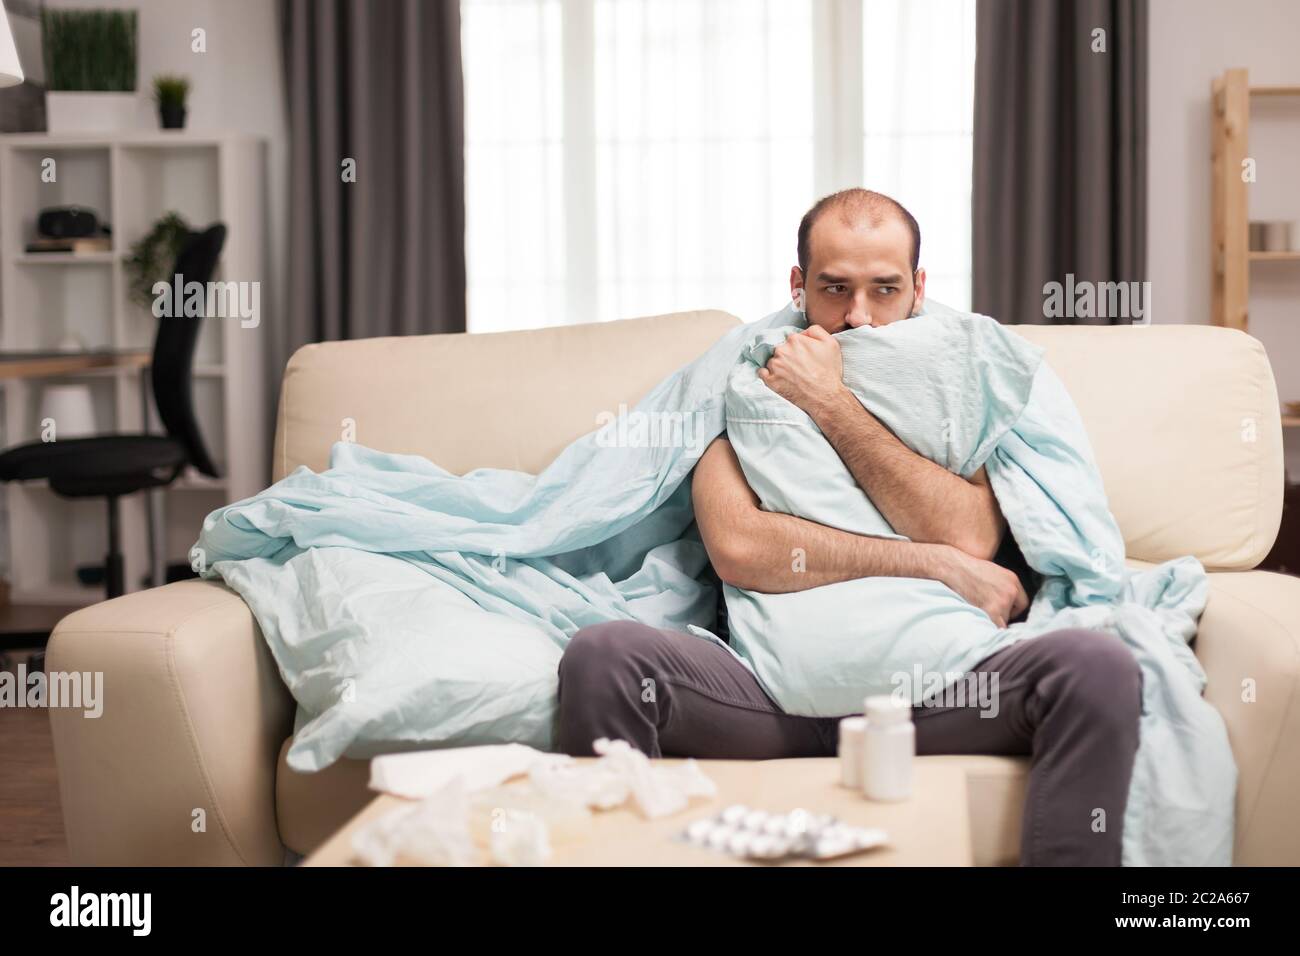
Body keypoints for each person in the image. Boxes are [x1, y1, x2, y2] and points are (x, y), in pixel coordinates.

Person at [555, 188, 1142, 866]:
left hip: (945, 692)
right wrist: (932, 564)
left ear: (919, 288)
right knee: (603, 659)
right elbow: (741, 548)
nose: (859, 319)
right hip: (765, 698)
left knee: (1097, 666)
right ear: (799, 285)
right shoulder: (745, 370)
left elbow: (971, 537)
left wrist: (831, 403)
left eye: (884, 290)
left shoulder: (956, 375)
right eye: (835, 289)